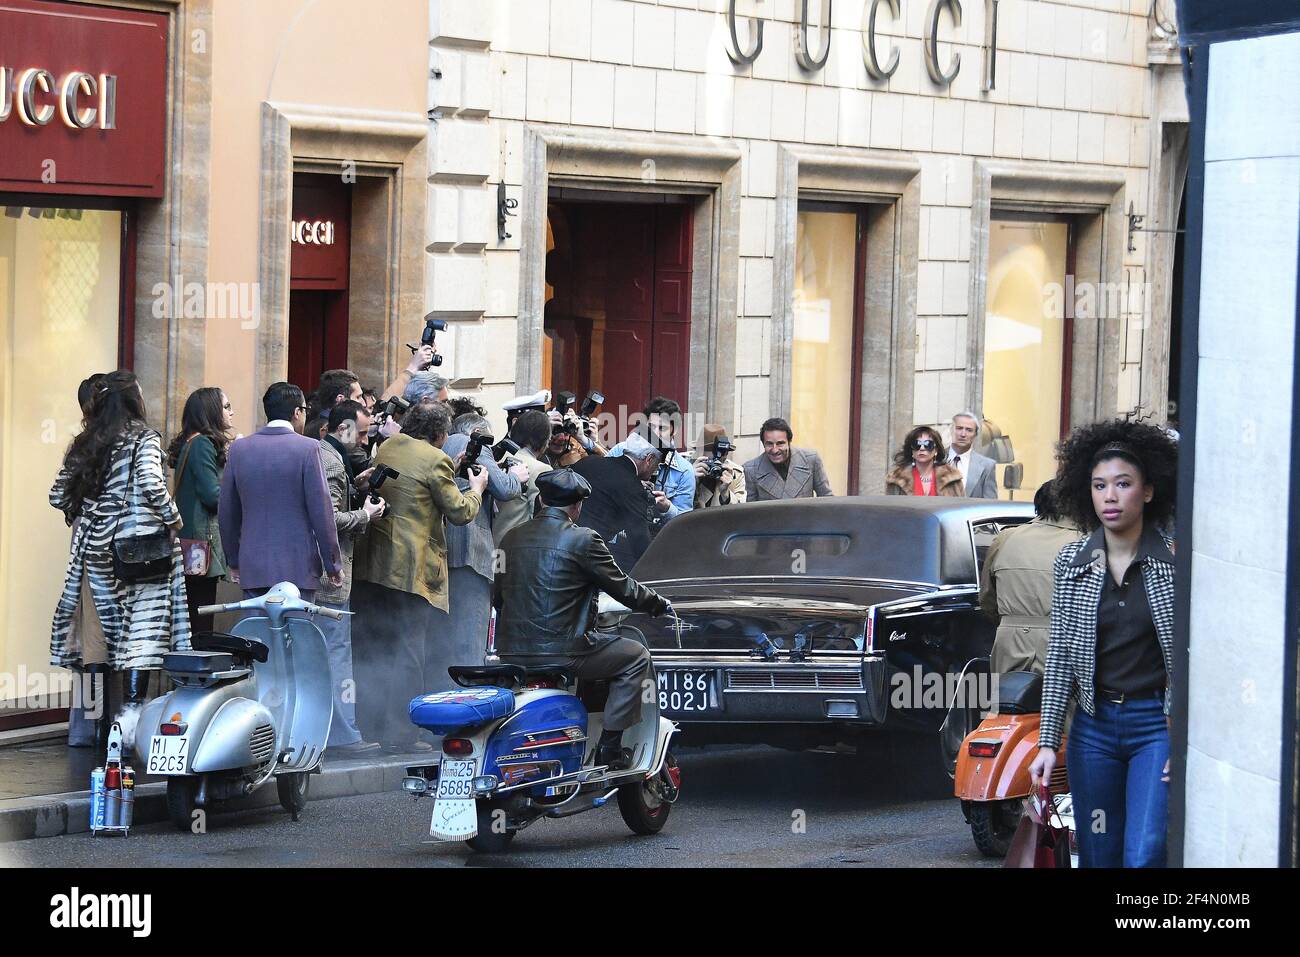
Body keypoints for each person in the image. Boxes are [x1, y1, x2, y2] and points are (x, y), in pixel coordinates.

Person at [1028, 420, 1179, 868]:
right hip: (1093, 729)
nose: (1110, 496)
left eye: (1123, 484)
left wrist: (1184, 734)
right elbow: (1059, 658)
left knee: (1146, 851)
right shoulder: (1071, 563)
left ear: (1148, 491)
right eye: (1099, 485)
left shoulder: (1175, 562)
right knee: (1098, 853)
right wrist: (1047, 742)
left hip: (1157, 726)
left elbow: (1193, 657)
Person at [49, 370, 191, 751]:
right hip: (141, 553)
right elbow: (149, 479)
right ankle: (126, 733)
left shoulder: (87, 442)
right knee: (139, 643)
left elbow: (58, 495)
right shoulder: (143, 437)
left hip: (96, 555)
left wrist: (93, 509)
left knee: (98, 646)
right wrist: (173, 517)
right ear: (133, 400)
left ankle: (98, 733)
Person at [494, 468, 672, 768]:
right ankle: (610, 747)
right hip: (564, 651)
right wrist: (658, 604)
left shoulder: (510, 538)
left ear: (541, 501)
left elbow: (497, 597)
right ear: (577, 507)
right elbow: (624, 588)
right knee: (636, 657)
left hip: (511, 652)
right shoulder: (584, 539)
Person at [350, 401, 489, 751]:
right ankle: (400, 735)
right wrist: (478, 489)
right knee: (408, 654)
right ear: (440, 434)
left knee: (373, 648)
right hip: (411, 572)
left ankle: (368, 726)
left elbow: (417, 478)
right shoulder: (436, 459)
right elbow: (459, 512)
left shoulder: (390, 445)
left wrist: (449, 469)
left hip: (374, 564)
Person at [217, 382, 342, 601]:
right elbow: (322, 512)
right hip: (299, 567)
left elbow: (227, 512)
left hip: (254, 566)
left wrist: (234, 561)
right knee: (298, 633)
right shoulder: (308, 448)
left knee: (256, 633)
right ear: (296, 412)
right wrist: (333, 564)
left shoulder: (239, 449)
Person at [317, 400, 386, 755]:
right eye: (360, 434)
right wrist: (365, 514)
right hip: (330, 575)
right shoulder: (329, 461)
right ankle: (344, 735)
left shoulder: (327, 456)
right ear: (341, 428)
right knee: (336, 654)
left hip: (312, 575)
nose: (364, 442)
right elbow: (329, 520)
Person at [438, 413, 526, 686]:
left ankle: (444, 692)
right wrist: (515, 475)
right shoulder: (471, 442)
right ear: (479, 432)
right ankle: (469, 701)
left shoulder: (444, 445)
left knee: (446, 634)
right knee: (470, 635)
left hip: (444, 549)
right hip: (471, 551)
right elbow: (504, 488)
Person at [979, 481, 1081, 674]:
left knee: (1007, 699)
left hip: (1009, 642)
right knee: (1059, 703)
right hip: (1063, 643)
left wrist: (1011, 622)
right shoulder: (1086, 543)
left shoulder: (1006, 538)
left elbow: (987, 597)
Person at [166, 387, 234, 634]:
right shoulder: (203, 443)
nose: (231, 412)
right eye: (226, 407)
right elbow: (211, 495)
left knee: (195, 617)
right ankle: (195, 670)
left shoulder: (194, 442)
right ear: (211, 411)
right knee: (200, 620)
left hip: (193, 545)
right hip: (200, 546)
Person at [571, 432, 662, 571]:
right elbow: (640, 542)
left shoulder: (588, 461)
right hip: (589, 559)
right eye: (657, 464)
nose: (657, 469)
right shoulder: (633, 488)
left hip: (559, 543)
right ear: (649, 459)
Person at [606, 397, 695, 521]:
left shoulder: (685, 470)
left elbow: (685, 523)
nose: (655, 433)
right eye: (651, 426)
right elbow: (600, 483)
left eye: (662, 428)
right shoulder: (621, 449)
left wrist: (667, 507)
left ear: (674, 431)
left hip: (659, 537)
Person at [493, 409, 553, 546]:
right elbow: (539, 517)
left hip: (493, 543)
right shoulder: (540, 469)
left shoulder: (499, 460)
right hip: (520, 547)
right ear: (544, 440)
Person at [743, 418, 833, 501]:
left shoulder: (811, 459)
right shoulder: (751, 470)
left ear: (789, 442)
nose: (775, 450)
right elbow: (751, 512)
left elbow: (826, 498)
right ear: (763, 444)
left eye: (780, 443)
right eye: (769, 444)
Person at [884, 426, 964, 496]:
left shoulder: (952, 478)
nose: (922, 448)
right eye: (917, 444)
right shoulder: (897, 479)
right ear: (911, 450)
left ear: (936, 450)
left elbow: (961, 510)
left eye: (928, 444)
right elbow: (890, 511)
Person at [691, 423, 746, 508]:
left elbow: (741, 512)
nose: (717, 461)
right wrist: (691, 480)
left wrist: (726, 494)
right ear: (700, 452)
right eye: (711, 450)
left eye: (723, 452)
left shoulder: (735, 472)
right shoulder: (687, 469)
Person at [948, 410, 998, 499]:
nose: (963, 434)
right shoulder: (936, 459)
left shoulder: (987, 466)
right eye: (959, 428)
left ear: (975, 435)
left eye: (969, 430)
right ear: (951, 430)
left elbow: (990, 505)